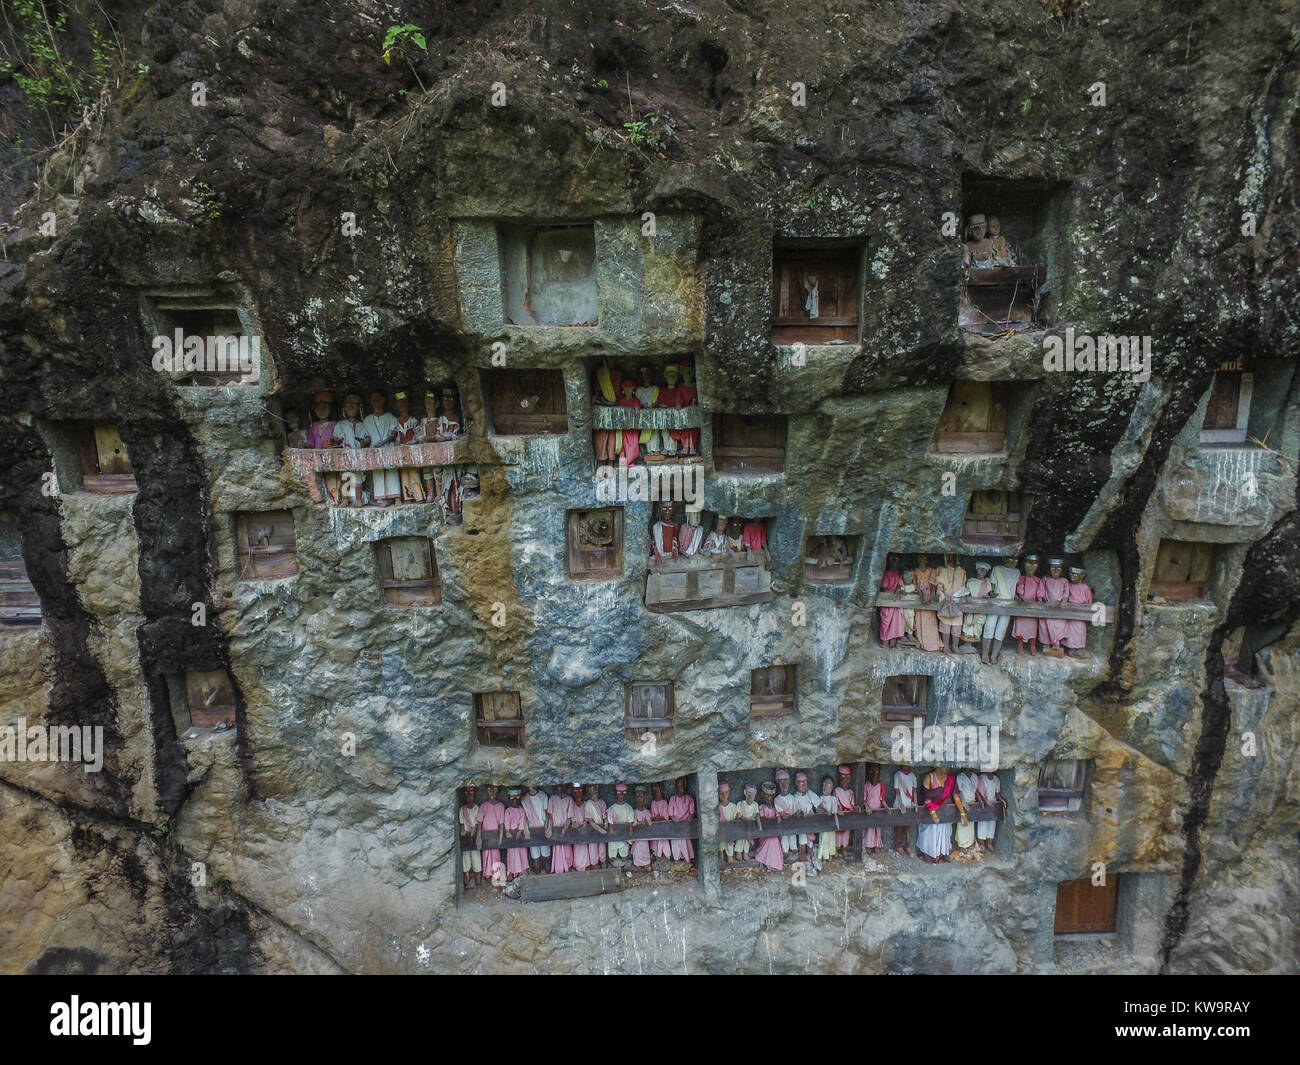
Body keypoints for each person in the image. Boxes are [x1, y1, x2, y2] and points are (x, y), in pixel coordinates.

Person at [916, 766, 966, 864]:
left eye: (948, 768)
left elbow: (956, 795)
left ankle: (939, 856)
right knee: (930, 835)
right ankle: (929, 856)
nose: (946, 770)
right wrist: (933, 813)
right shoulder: (929, 777)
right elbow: (926, 796)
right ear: (936, 766)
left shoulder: (951, 778)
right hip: (930, 812)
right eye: (944, 767)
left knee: (944, 834)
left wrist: (962, 813)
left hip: (946, 813)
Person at [361, 391, 401, 506]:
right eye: (374, 401)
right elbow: (367, 437)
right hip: (375, 452)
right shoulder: (368, 420)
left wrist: (383, 442)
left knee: (392, 471)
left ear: (383, 400)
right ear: (370, 402)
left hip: (389, 449)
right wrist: (364, 441)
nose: (376, 403)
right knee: (378, 473)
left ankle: (396, 497)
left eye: (378, 400)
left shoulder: (390, 417)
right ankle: (382, 498)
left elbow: (394, 435)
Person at [985, 555, 1020, 664]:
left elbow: (1015, 589)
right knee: (989, 627)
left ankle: (994, 656)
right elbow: (992, 587)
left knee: (1001, 631)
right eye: (1010, 558)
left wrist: (1018, 598)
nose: (1013, 560)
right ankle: (985, 654)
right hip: (996, 602)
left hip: (1009, 604)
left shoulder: (1017, 572)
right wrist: (991, 594)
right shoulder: (997, 569)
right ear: (1004, 558)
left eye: (1015, 558)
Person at [1014, 554, 1046, 655]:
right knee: (1021, 628)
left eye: (1034, 564)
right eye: (1029, 564)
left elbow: (1040, 592)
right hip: (1023, 607)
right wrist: (1023, 598)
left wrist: (1040, 599)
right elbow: (1020, 590)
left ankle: (1032, 646)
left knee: (1032, 628)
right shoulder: (1022, 578)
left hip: (1033, 608)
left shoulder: (1038, 580)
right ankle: (1020, 645)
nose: (1031, 567)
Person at [963, 560, 995, 655]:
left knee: (977, 628)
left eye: (984, 570)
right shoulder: (970, 581)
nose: (982, 572)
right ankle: (966, 645)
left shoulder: (988, 583)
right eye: (980, 569)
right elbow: (966, 594)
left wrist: (988, 597)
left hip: (981, 610)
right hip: (971, 609)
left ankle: (972, 646)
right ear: (977, 570)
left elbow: (991, 595)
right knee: (968, 627)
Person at [1040, 557, 1071, 656]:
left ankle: (1056, 643)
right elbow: (1041, 589)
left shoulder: (1064, 580)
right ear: (1049, 568)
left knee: (1059, 625)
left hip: (1059, 607)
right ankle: (1046, 643)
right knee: (1045, 625)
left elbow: (1066, 591)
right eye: (1053, 567)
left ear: (1062, 569)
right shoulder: (1045, 579)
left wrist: (1065, 599)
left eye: (1058, 568)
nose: (1056, 570)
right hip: (1048, 606)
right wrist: (1043, 598)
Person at [912, 555, 943, 652]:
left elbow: (933, 585)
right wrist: (921, 596)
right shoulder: (915, 571)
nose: (922, 559)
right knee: (919, 621)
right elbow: (915, 585)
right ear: (917, 559)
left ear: (927, 559)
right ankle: (922, 643)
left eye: (924, 558)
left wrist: (931, 597)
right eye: (920, 558)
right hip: (919, 599)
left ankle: (933, 644)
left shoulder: (931, 571)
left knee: (930, 622)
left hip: (929, 599)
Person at [477, 784, 507, 884]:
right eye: (489, 789)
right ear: (486, 791)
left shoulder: (501, 806)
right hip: (486, 836)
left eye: (495, 789)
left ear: (498, 791)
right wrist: (479, 837)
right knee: (486, 856)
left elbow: (502, 824)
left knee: (495, 856)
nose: (492, 792)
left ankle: (496, 875)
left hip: (495, 836)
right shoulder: (484, 806)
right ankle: (487, 875)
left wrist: (501, 837)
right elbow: (479, 823)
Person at [753, 781, 785, 871]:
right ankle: (769, 862)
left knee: (774, 841)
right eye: (766, 796)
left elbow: (778, 818)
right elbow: (762, 819)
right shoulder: (762, 807)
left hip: (774, 833)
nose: (768, 799)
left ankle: (774, 864)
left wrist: (778, 818)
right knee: (772, 840)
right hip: (765, 834)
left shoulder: (776, 808)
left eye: (770, 796)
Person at [547, 785, 578, 874]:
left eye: (562, 786)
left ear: (565, 787)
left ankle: (568, 867)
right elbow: (550, 816)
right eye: (558, 787)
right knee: (557, 850)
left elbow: (570, 816)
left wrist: (564, 828)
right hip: (555, 827)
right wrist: (549, 828)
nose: (560, 789)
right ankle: (558, 870)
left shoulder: (569, 799)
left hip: (566, 828)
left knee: (567, 850)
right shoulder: (552, 798)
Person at [790, 771, 819, 865]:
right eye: (801, 782)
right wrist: (800, 813)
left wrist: (823, 810)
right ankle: (802, 851)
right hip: (801, 822)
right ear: (796, 783)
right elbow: (796, 810)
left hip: (811, 821)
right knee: (802, 835)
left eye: (805, 782)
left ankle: (810, 848)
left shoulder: (810, 793)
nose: (804, 784)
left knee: (810, 837)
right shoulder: (795, 797)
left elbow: (818, 804)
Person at [1065, 566, 1094, 659]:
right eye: (1071, 574)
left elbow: (1089, 601)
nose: (1072, 576)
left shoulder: (1085, 587)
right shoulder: (1068, 585)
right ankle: (1071, 648)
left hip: (1081, 614)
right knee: (1070, 631)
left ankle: (1080, 648)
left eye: (1075, 574)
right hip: (1070, 614)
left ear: (1082, 576)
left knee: (1080, 631)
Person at [522, 784, 551, 874]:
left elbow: (547, 814)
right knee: (535, 857)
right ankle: (537, 875)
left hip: (543, 828)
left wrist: (547, 828)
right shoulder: (524, 799)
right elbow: (525, 815)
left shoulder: (543, 796)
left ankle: (548, 875)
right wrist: (526, 828)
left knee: (546, 856)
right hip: (532, 830)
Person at [606, 783, 634, 867]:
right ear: (616, 794)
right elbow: (610, 819)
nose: (621, 795)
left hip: (624, 833)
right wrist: (611, 829)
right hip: (614, 833)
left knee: (624, 851)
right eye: (619, 793)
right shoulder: (612, 808)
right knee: (612, 848)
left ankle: (624, 861)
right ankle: (612, 861)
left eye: (624, 793)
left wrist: (630, 829)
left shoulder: (628, 807)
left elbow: (631, 820)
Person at [668, 776, 695, 864]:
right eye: (680, 784)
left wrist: (689, 819)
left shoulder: (689, 798)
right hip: (675, 825)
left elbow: (691, 813)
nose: (682, 786)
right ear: (676, 786)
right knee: (676, 841)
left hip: (685, 825)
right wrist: (674, 819)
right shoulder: (673, 799)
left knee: (685, 841)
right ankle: (677, 859)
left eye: (684, 784)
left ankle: (687, 860)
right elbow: (670, 813)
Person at [503, 788, 529, 880]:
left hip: (520, 835)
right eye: (512, 797)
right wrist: (507, 831)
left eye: (516, 797)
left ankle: (522, 870)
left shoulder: (521, 810)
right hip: (511, 836)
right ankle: (511, 871)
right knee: (512, 854)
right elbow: (506, 821)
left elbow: (523, 821)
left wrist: (520, 831)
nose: (514, 799)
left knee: (522, 853)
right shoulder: (508, 811)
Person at [976, 771, 1004, 853]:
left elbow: (996, 793)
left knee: (992, 824)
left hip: (993, 805)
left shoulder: (996, 779)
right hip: (983, 804)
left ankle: (989, 843)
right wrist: (984, 801)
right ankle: (981, 843)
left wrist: (1001, 800)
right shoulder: (981, 778)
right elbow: (977, 791)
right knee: (983, 824)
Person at [459, 784, 481, 888]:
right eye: (467, 794)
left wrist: (474, 832)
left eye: (471, 794)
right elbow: (462, 823)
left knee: (475, 854)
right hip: (466, 834)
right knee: (466, 855)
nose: (469, 796)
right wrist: (463, 831)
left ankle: (478, 873)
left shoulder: (477, 808)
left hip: (474, 833)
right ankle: (466, 873)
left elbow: (477, 823)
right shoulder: (462, 809)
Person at [893, 764, 917, 856]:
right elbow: (897, 790)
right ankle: (898, 845)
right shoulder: (897, 775)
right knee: (899, 826)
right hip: (899, 804)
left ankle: (908, 845)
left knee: (908, 827)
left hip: (909, 804)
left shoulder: (913, 776)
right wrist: (900, 803)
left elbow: (914, 790)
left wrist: (915, 802)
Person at [878, 564, 905, 647]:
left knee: (894, 623)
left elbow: (900, 585)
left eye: (896, 559)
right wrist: (892, 595)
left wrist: (896, 592)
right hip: (887, 601)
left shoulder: (897, 573)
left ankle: (892, 643)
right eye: (892, 559)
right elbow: (884, 587)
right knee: (886, 622)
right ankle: (885, 642)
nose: (894, 561)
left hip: (894, 602)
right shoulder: (886, 573)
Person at [953, 769, 979, 853]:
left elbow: (975, 790)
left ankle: (969, 843)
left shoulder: (974, 776)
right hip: (962, 803)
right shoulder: (960, 777)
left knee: (970, 825)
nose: (969, 768)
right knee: (963, 824)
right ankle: (962, 845)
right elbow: (957, 793)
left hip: (972, 802)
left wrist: (981, 800)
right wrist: (962, 802)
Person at [774, 768, 797, 859]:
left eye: (786, 781)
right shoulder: (777, 799)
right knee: (784, 837)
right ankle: (785, 850)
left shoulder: (792, 797)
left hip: (792, 822)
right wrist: (784, 815)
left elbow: (795, 809)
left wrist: (796, 813)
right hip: (783, 824)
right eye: (781, 782)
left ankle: (794, 847)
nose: (784, 784)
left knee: (793, 835)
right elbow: (781, 813)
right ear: (777, 782)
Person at [862, 765, 886, 853]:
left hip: (878, 812)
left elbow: (882, 799)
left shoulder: (881, 785)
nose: (874, 776)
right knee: (869, 829)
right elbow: (863, 799)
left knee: (877, 829)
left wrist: (886, 807)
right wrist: (867, 807)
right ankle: (867, 845)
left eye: (876, 773)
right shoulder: (866, 785)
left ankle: (876, 844)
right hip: (869, 812)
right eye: (871, 773)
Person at [733, 783, 759, 862]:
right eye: (748, 793)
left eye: (752, 794)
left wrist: (756, 817)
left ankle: (745, 853)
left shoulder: (755, 804)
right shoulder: (740, 804)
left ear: (755, 793)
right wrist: (742, 817)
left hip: (750, 827)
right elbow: (738, 814)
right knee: (740, 839)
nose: (750, 796)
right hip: (741, 826)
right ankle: (738, 853)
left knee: (747, 841)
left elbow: (756, 813)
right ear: (745, 792)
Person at [630, 785, 654, 869]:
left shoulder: (647, 812)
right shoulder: (634, 811)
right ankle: (638, 866)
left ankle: (647, 864)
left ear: (644, 798)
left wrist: (646, 822)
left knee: (645, 851)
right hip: (637, 839)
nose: (640, 798)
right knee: (637, 853)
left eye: (641, 796)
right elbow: (633, 823)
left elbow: (649, 824)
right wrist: (636, 824)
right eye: (638, 796)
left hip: (644, 838)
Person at [816, 776, 839, 863]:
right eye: (825, 785)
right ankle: (823, 854)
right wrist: (824, 812)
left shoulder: (833, 799)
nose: (827, 787)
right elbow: (818, 809)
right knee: (823, 838)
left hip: (831, 822)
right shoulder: (820, 798)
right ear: (823, 786)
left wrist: (837, 824)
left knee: (831, 839)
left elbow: (835, 812)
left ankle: (830, 854)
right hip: (823, 822)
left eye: (830, 786)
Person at [833, 765, 856, 852]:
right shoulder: (836, 791)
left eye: (847, 778)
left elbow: (852, 804)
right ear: (839, 778)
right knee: (838, 834)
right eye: (843, 778)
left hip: (848, 816)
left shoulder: (851, 792)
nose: (845, 780)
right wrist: (839, 809)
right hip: (840, 815)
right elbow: (836, 803)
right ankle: (837, 847)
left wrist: (855, 807)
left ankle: (845, 848)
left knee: (846, 833)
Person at [649, 782, 672, 862]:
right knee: (656, 841)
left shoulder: (664, 802)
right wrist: (655, 818)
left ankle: (665, 855)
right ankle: (657, 855)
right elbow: (652, 816)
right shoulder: (653, 803)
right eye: (655, 791)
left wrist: (658, 818)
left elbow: (665, 816)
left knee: (664, 841)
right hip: (656, 828)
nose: (657, 793)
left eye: (659, 791)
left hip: (663, 828)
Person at [717, 781, 739, 864]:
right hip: (722, 830)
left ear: (729, 792)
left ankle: (730, 856)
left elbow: (736, 817)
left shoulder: (733, 806)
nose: (723, 795)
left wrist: (737, 817)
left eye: (726, 793)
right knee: (721, 842)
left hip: (730, 830)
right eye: (721, 793)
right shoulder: (717, 807)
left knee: (730, 844)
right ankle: (721, 854)